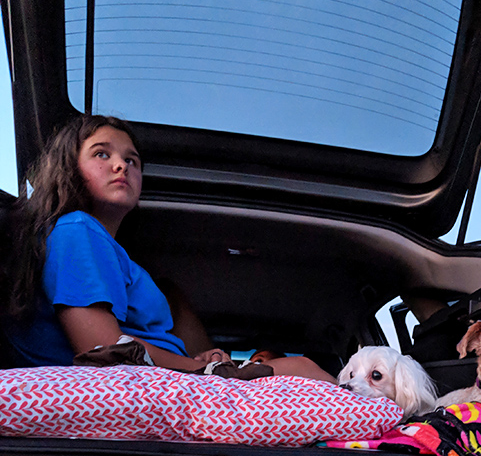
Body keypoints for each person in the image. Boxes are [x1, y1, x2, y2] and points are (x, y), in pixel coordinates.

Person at [1, 114, 335, 382]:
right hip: (136, 381)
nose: (121, 165)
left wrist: (199, 361)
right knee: (304, 368)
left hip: (158, 376)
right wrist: (206, 371)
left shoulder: (102, 246)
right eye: (102, 154)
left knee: (303, 368)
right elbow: (102, 348)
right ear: (69, 168)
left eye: (132, 160)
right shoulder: (77, 229)